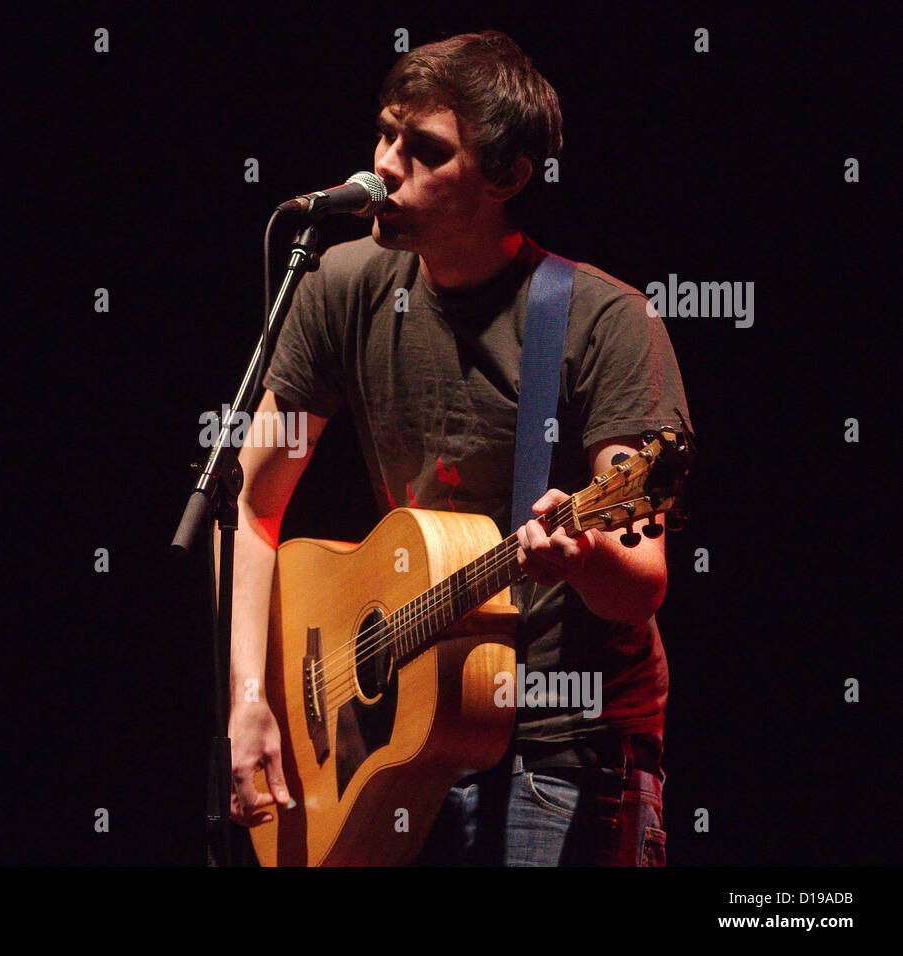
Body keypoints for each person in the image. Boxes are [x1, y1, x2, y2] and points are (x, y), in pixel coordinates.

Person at [224, 30, 690, 865]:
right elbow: (251, 504)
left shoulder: (606, 323)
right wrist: (252, 698)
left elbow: (640, 586)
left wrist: (582, 558)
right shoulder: (341, 283)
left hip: (562, 738)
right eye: (386, 134)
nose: (385, 165)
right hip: (402, 733)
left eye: (425, 150)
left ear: (508, 178)